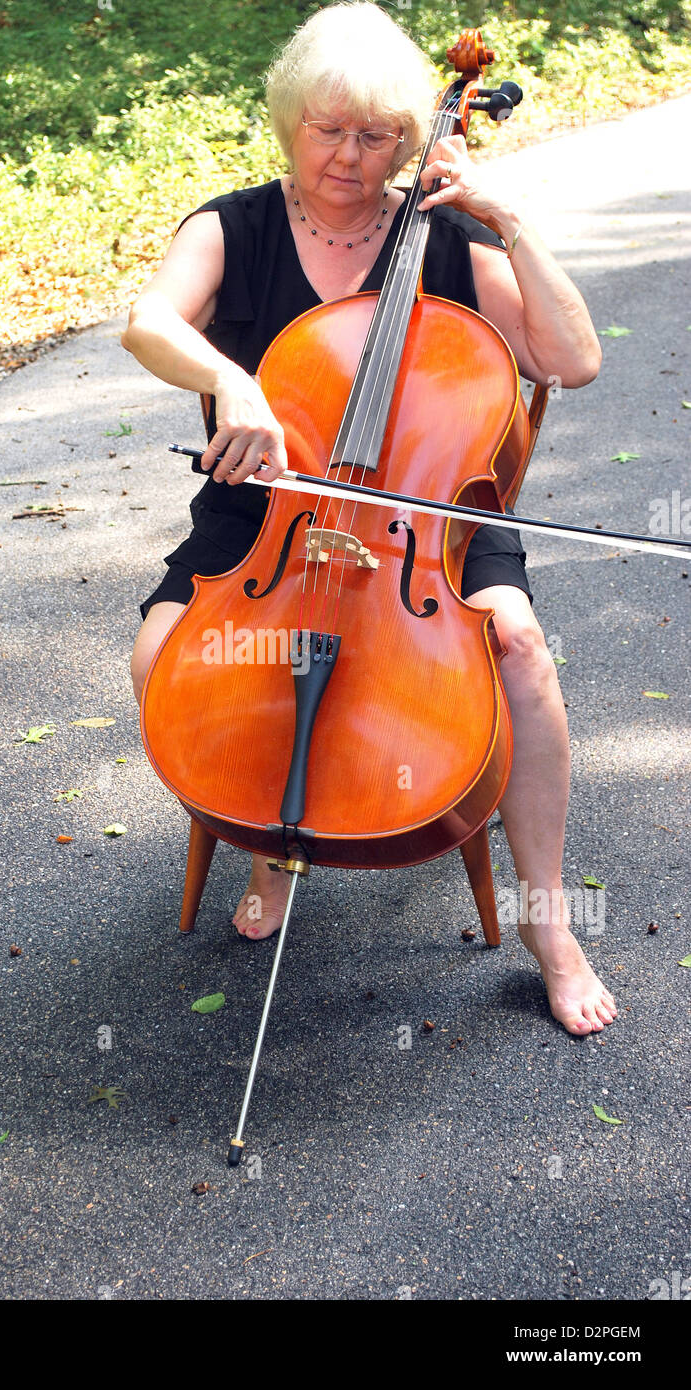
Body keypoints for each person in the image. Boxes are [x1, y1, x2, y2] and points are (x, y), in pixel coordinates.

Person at [122, 1, 617, 1037]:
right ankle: (272, 842)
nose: (350, 156)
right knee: (165, 650)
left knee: (520, 647)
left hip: (424, 517)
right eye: (327, 129)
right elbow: (149, 321)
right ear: (289, 122)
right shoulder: (235, 227)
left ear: (408, 135)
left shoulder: (444, 237)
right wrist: (236, 383)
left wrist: (509, 222)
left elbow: (572, 360)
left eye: (378, 134)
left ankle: (549, 923)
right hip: (270, 514)